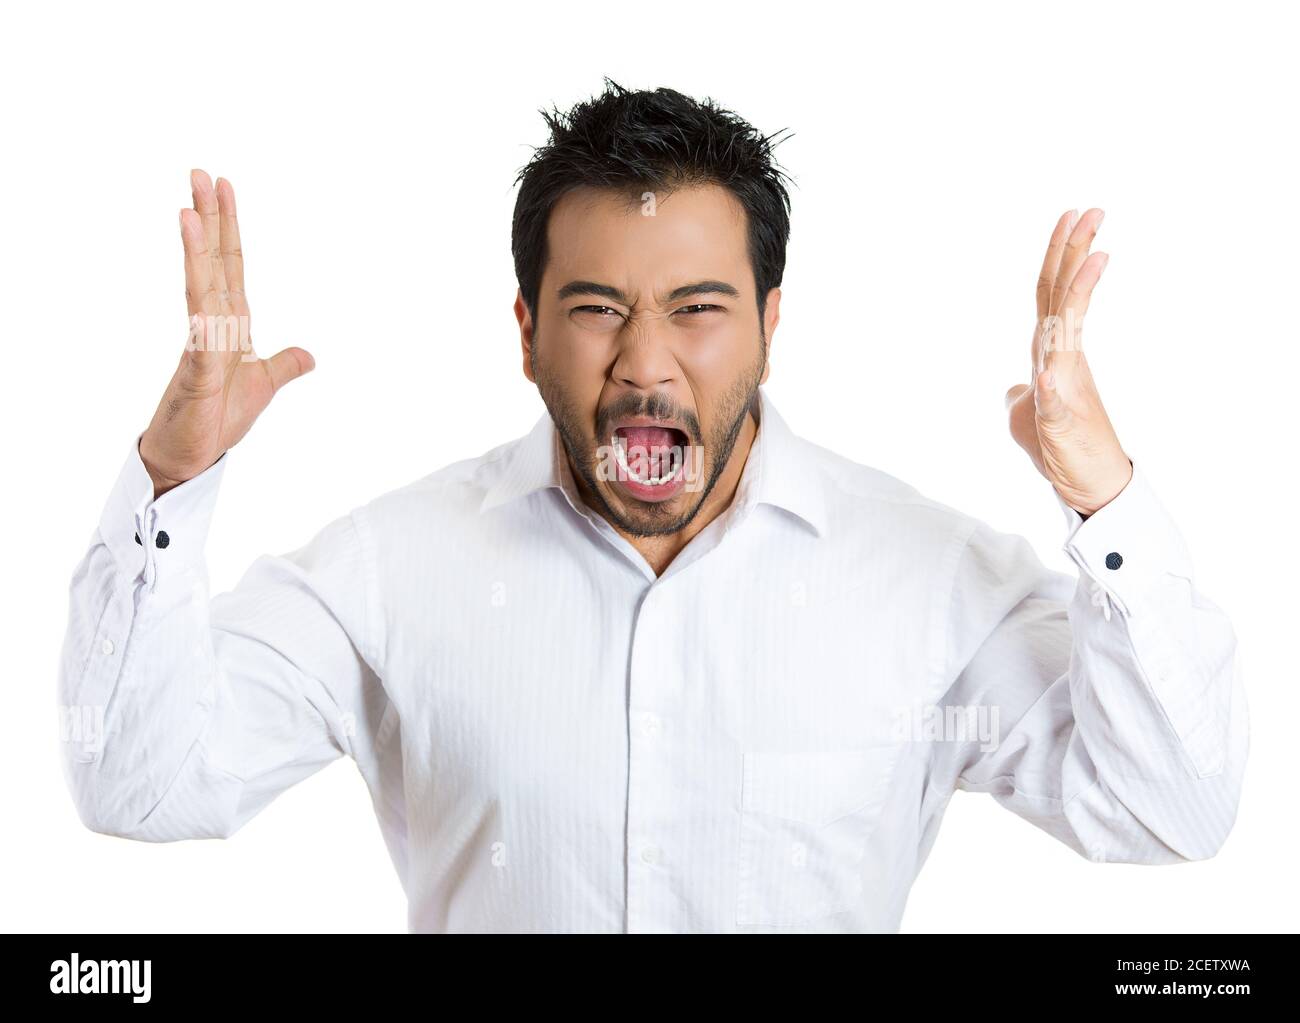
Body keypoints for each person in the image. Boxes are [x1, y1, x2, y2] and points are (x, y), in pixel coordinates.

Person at [58, 79, 1248, 933]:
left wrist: (1103, 497)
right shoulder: (388, 568)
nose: (644, 365)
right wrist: (172, 477)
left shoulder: (930, 582)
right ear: (525, 334)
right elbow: (137, 785)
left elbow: (1171, 811)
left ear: (770, 329)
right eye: (593, 309)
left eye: (696, 307)